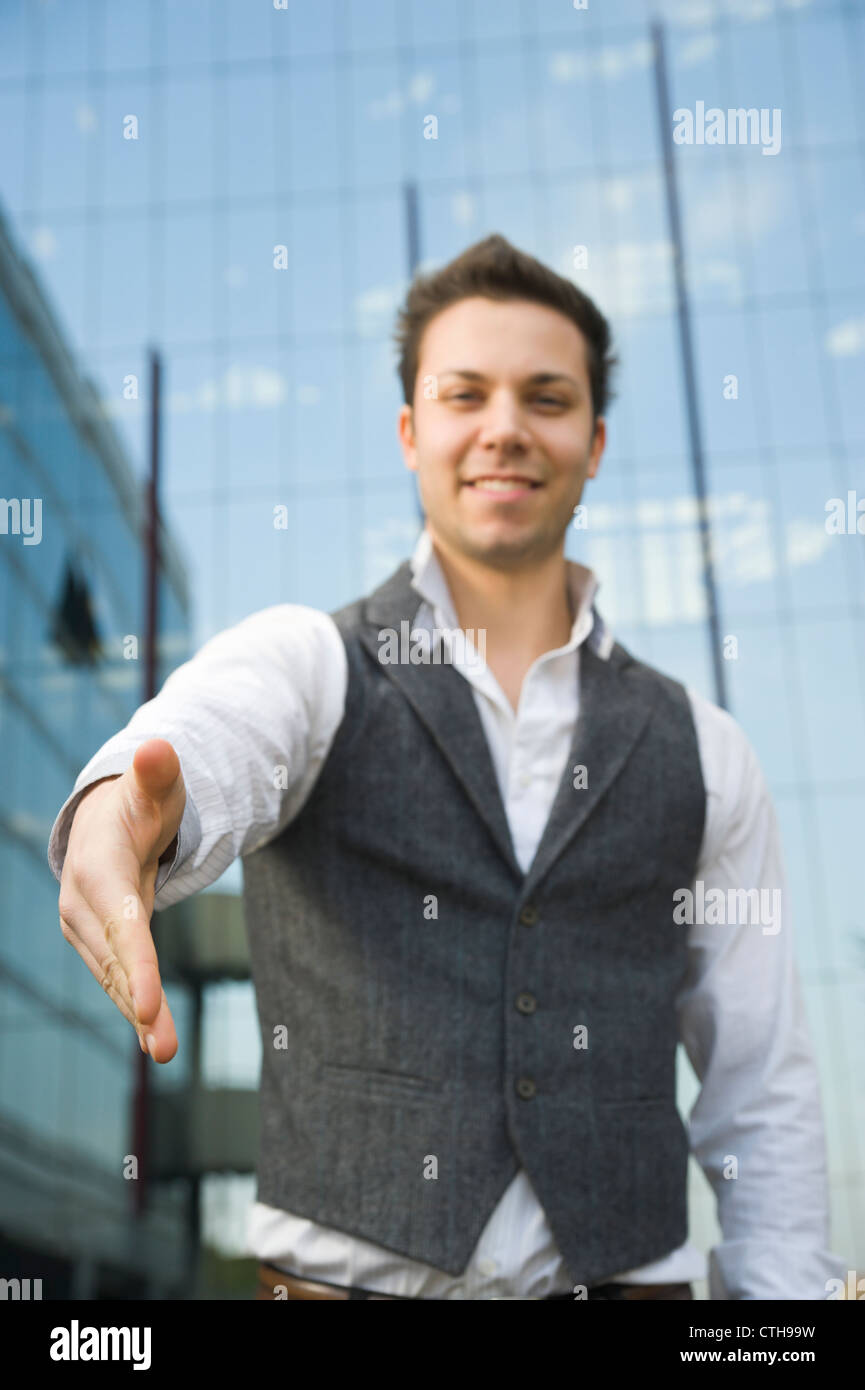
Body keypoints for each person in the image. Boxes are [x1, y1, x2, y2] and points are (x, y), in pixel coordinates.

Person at [48, 234, 843, 1301]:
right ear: (412, 432)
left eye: (546, 397)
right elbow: (219, 724)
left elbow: (758, 1084)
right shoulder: (314, 663)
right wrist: (119, 811)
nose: (505, 427)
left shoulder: (706, 749)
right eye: (465, 393)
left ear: (595, 442)